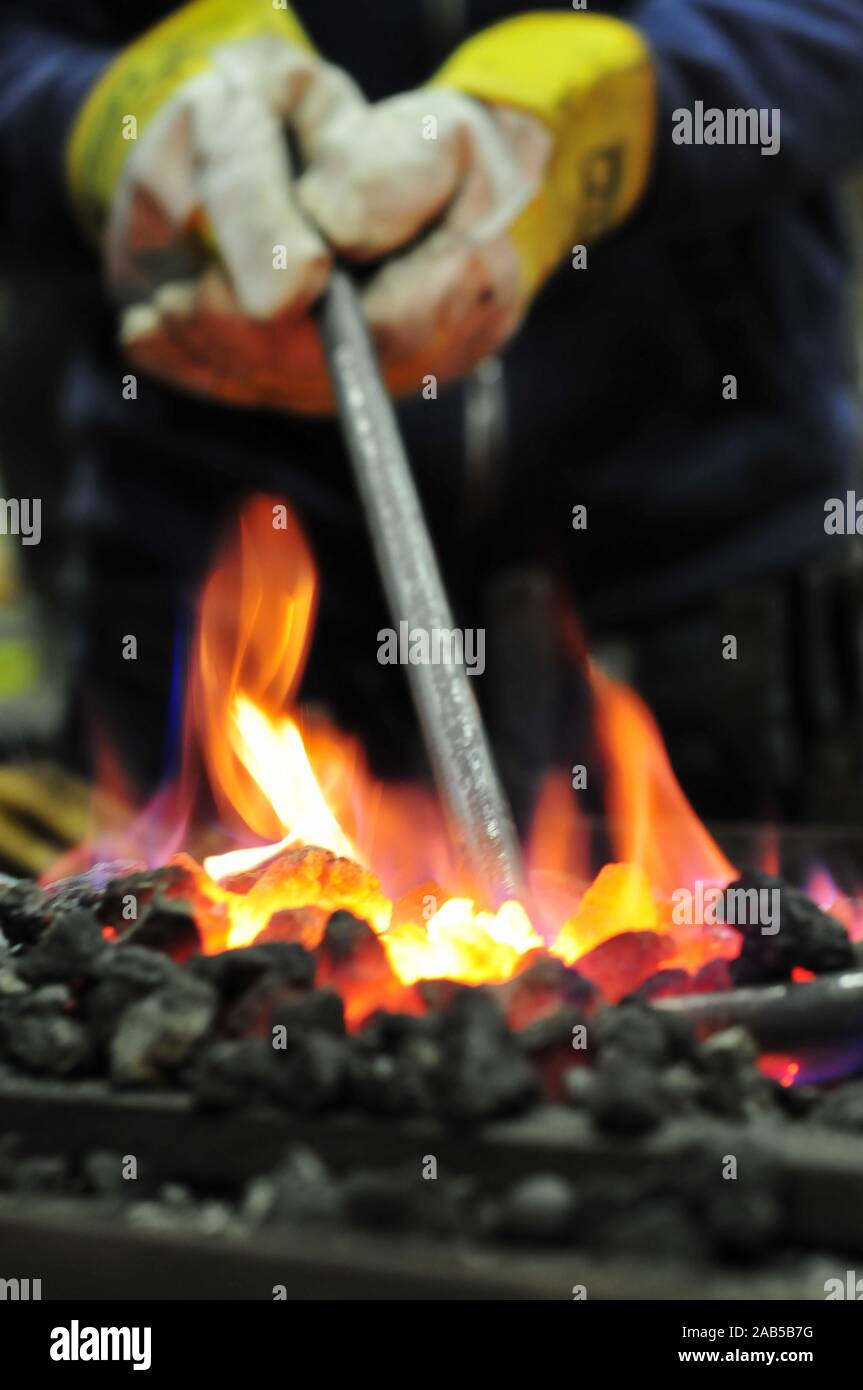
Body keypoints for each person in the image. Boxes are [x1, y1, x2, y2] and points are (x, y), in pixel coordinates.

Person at [0, 0, 862, 833]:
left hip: (700, 571)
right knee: (183, 955)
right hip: (212, 590)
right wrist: (102, 119)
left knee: (743, 952)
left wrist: (632, 101)